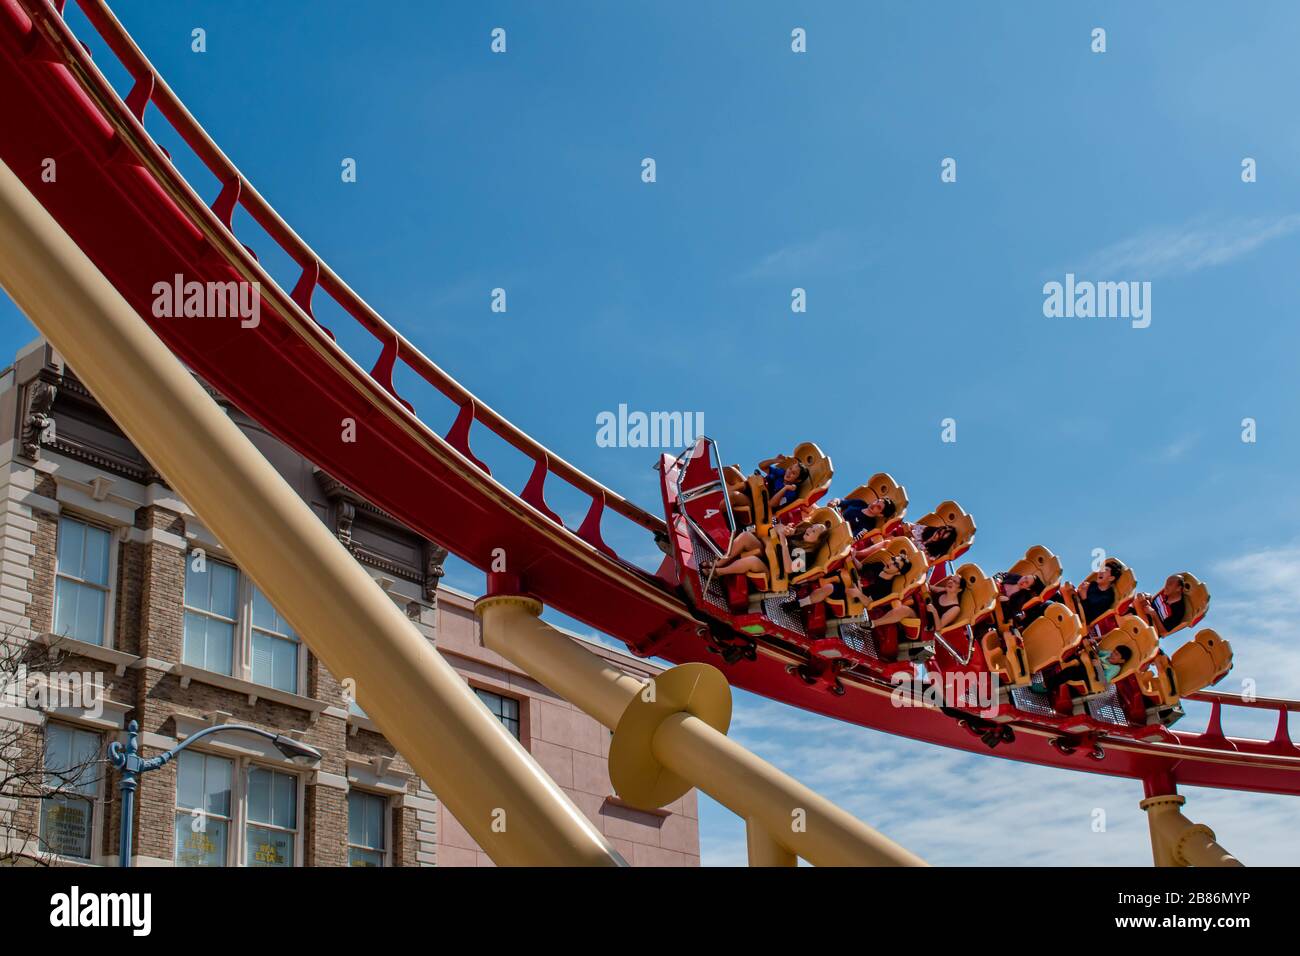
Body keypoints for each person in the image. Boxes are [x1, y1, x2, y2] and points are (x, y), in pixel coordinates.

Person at [701, 520, 827, 581]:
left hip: (774, 570)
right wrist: (783, 531)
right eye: (811, 527)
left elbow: (789, 569)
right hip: (768, 552)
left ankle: (719, 572)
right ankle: (718, 562)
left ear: (818, 541)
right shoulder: (801, 534)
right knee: (746, 537)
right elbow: (777, 528)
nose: (809, 530)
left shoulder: (807, 555)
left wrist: (784, 544)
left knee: (752, 561)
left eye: (814, 531)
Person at [1038, 644, 1133, 696]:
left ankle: (1047, 686)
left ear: (1122, 660)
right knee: (1073, 655)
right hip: (1087, 665)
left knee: (1071, 671)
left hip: (1092, 678)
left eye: (1116, 655)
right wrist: (1093, 645)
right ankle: (1049, 668)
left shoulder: (1115, 668)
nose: (1113, 654)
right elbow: (1098, 652)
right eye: (1114, 652)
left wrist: (1099, 667)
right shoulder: (1108, 654)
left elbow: (1104, 681)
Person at [1061, 558, 1126, 625]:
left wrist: (1084, 597)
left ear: (1111, 578)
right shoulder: (1093, 585)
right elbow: (1077, 594)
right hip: (1069, 604)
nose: (1100, 572)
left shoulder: (1107, 598)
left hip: (1077, 619)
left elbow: (1089, 618)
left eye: (1105, 570)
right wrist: (1077, 590)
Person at [831, 495, 895, 537]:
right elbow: (842, 502)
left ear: (880, 514)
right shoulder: (860, 503)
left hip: (836, 534)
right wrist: (835, 501)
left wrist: (841, 519)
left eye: (878, 507)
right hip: (830, 518)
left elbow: (852, 537)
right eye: (877, 501)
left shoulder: (869, 525)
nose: (874, 504)